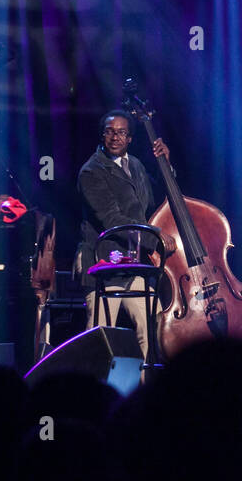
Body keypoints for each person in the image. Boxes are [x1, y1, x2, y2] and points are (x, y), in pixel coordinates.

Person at [76, 110, 170, 357]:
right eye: (109, 131)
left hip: (132, 264)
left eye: (121, 132)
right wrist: (156, 240)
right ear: (102, 134)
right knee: (100, 339)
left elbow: (156, 198)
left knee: (155, 329)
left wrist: (165, 165)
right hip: (104, 266)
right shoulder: (91, 171)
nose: (114, 137)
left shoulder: (135, 165)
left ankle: (147, 389)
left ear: (129, 138)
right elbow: (112, 220)